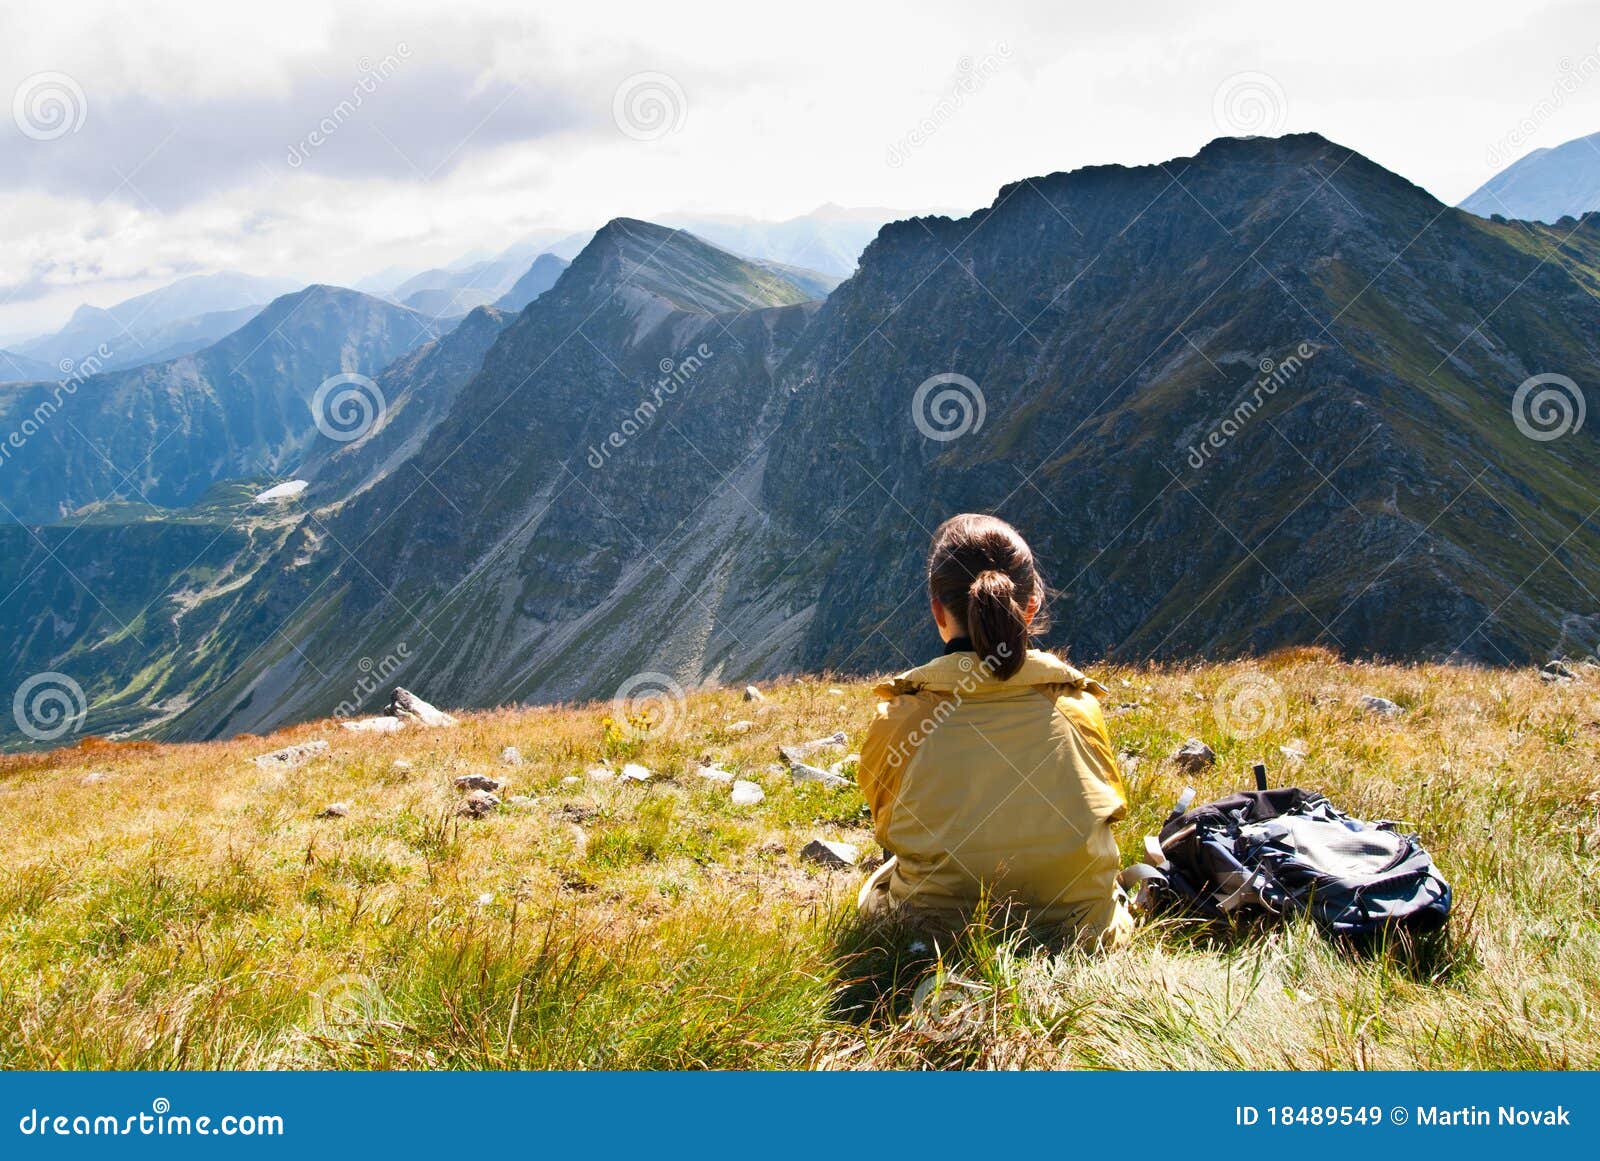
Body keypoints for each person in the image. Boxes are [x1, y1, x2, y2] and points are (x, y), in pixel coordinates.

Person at [856, 513, 1133, 948]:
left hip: (935, 935)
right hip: (1082, 932)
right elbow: (1109, 810)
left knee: (880, 883)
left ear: (937, 610)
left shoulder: (901, 718)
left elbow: (884, 818)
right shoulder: (1079, 708)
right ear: (1031, 606)